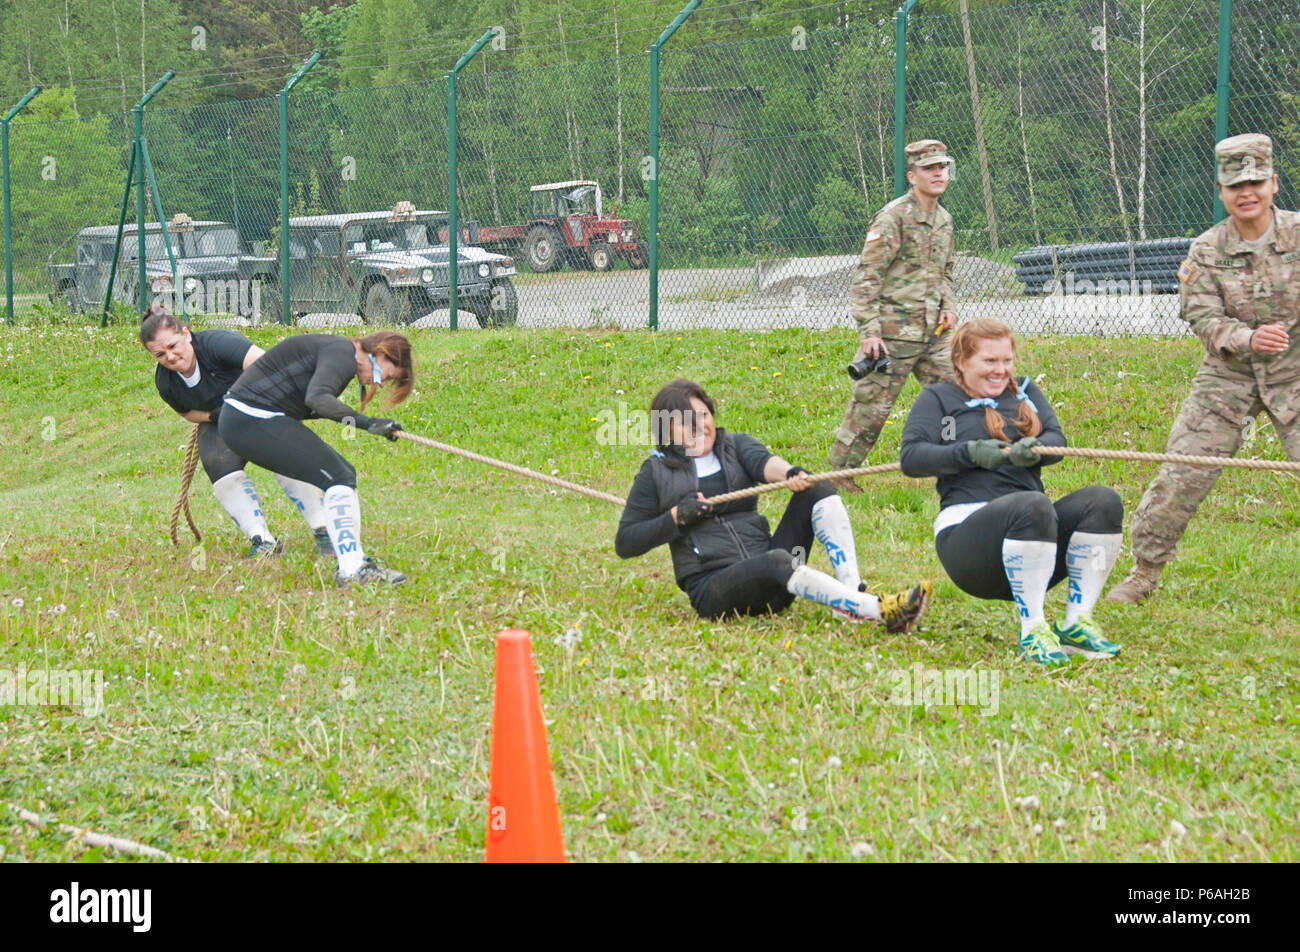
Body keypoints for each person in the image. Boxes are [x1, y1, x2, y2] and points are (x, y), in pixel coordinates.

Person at [1108, 133, 1300, 604]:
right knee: (1182, 473)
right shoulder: (1206, 251)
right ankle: (1144, 573)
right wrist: (1247, 338)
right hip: (1228, 377)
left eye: (1256, 181)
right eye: (1236, 185)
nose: (1246, 192)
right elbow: (1202, 317)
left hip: (1295, 373)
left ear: (1275, 183)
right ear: (1221, 191)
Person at [615, 379, 931, 629]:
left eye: (704, 415)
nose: (700, 427)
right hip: (714, 590)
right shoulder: (655, 473)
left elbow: (764, 463)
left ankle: (851, 595)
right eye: (686, 422)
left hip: (776, 586)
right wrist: (675, 517)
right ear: (667, 430)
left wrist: (792, 473)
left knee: (815, 488)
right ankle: (875, 609)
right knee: (777, 559)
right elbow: (627, 542)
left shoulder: (735, 446)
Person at [900, 318, 1123, 665]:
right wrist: (969, 452)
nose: (1000, 370)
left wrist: (1034, 448)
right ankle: (1033, 630)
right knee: (1032, 505)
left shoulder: (1025, 392)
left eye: (1006, 360)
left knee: (1102, 501)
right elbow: (912, 457)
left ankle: (1077, 625)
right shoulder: (938, 399)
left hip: (1035, 538)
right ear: (960, 361)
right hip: (969, 544)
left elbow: (1056, 441)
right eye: (989, 361)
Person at [218, 331, 414, 587]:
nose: (380, 383)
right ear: (381, 353)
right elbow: (319, 399)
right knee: (340, 476)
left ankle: (352, 564)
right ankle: (353, 570)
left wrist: (369, 424)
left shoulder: (339, 353)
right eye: (386, 375)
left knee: (341, 473)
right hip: (251, 417)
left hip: (246, 418)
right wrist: (369, 424)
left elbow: (309, 400)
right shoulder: (345, 353)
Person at [141, 306, 333, 558]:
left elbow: (269, 366)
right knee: (220, 469)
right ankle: (263, 542)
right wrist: (213, 416)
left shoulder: (218, 344)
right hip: (219, 421)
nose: (171, 357)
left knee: (287, 459)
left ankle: (324, 530)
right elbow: (186, 413)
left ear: (186, 334)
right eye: (160, 354)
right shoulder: (165, 382)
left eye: (173, 346)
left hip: (261, 406)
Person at [829, 139, 959, 492]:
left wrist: (948, 306)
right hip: (892, 336)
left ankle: (957, 467)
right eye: (930, 168)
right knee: (872, 407)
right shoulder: (893, 218)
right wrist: (869, 333)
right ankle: (840, 475)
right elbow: (867, 276)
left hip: (933, 334)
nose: (938, 173)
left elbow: (944, 273)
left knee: (957, 397)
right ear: (912, 175)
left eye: (942, 167)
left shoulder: (944, 221)